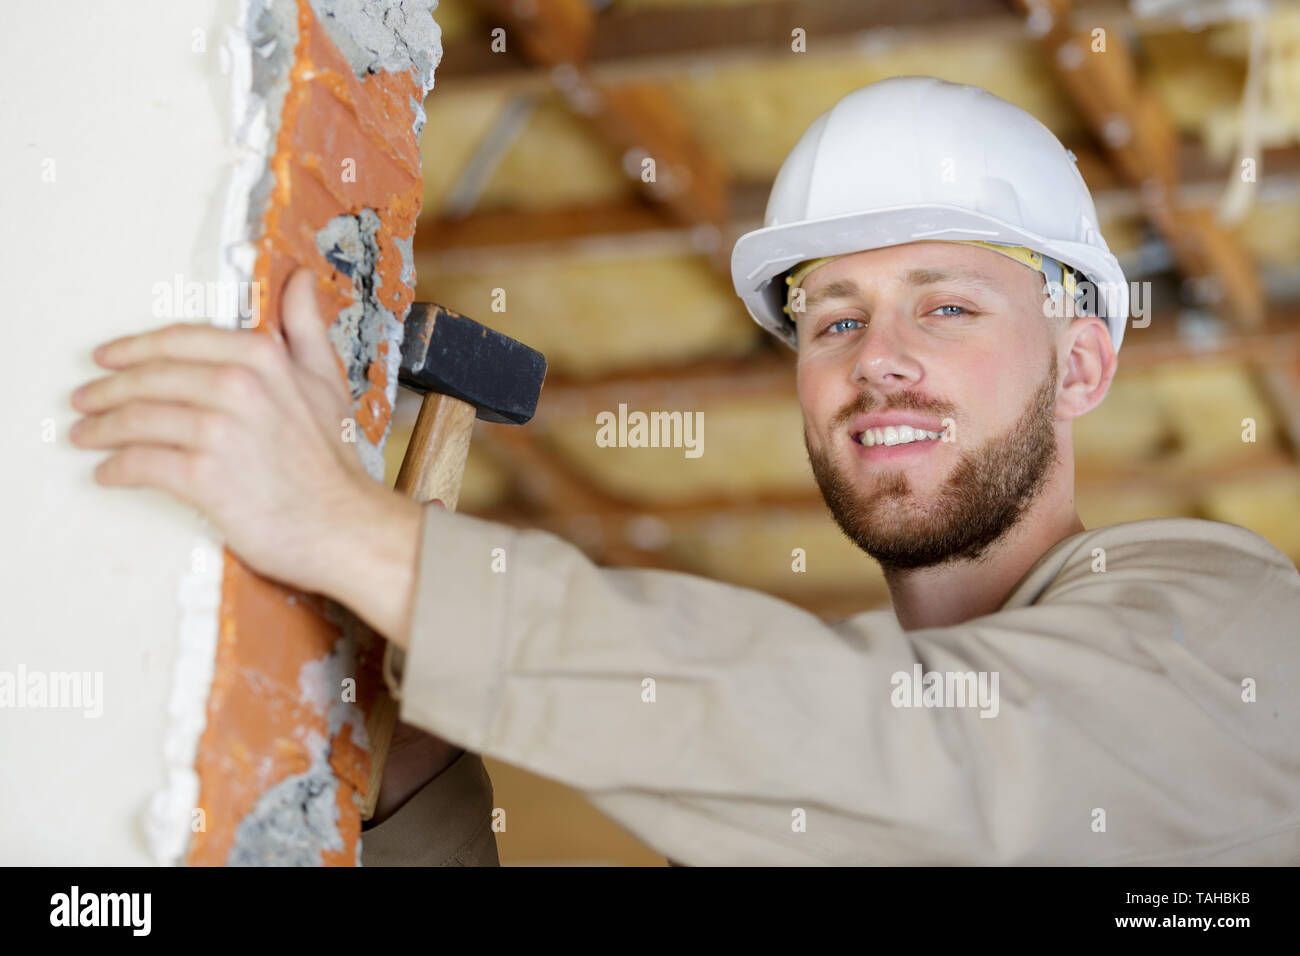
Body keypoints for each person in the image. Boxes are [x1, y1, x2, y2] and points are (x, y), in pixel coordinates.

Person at [71, 76, 1300, 865]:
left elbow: (933, 752)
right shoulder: (790, 814)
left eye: (946, 307)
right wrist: (419, 776)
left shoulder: (1231, 634)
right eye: (833, 319)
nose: (880, 361)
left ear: (1080, 367)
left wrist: (349, 533)